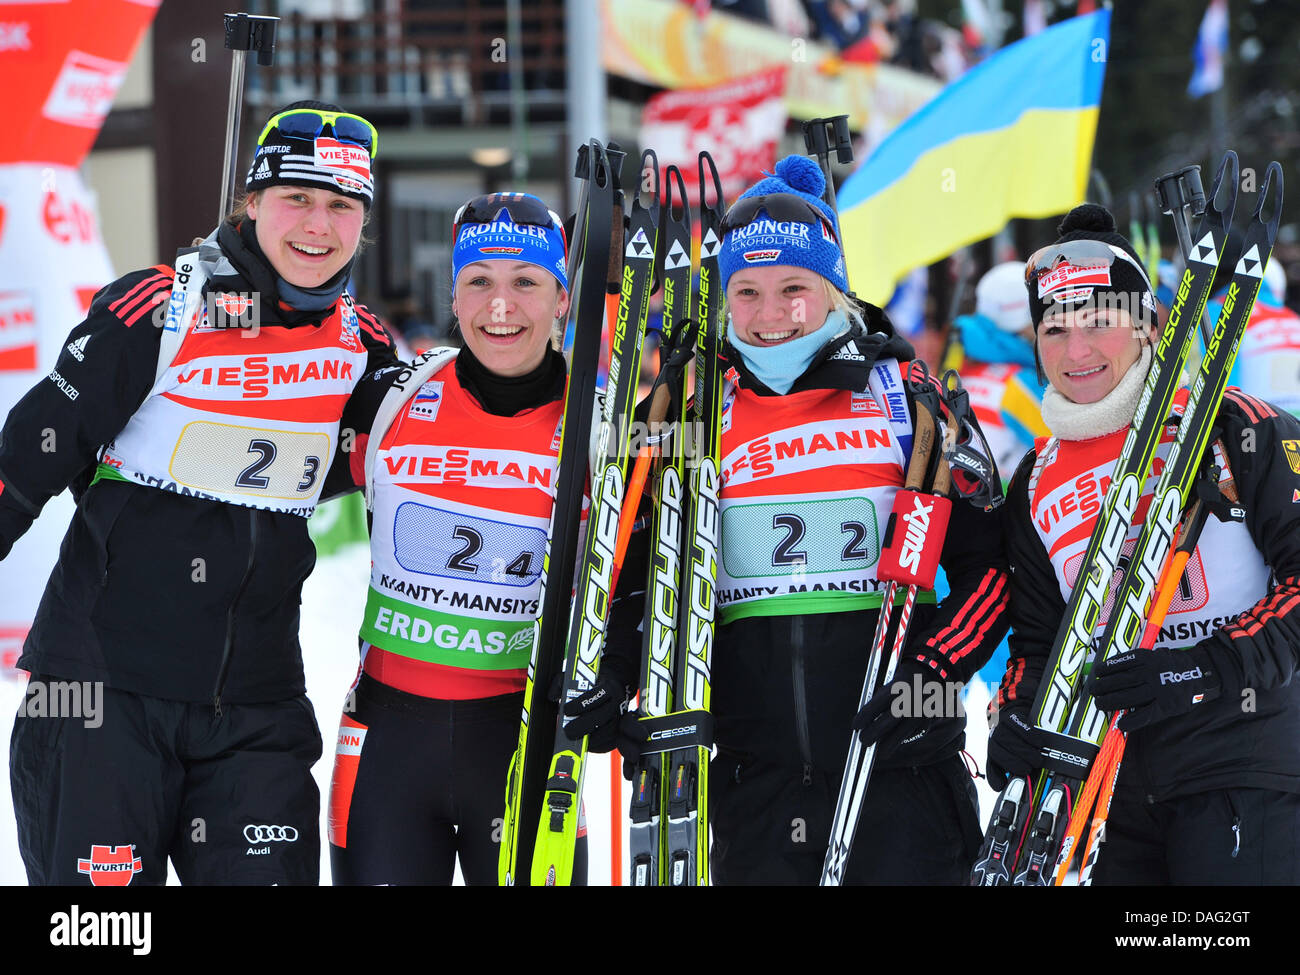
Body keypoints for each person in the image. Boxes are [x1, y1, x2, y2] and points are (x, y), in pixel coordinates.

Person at [1, 100, 397, 885]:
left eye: (342, 205)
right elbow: (23, 465)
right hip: (99, 694)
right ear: (251, 201)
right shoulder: (160, 309)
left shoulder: (363, 347)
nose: (317, 224)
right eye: (297, 198)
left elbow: (423, 463)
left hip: (256, 706)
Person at [593, 156, 1010, 884]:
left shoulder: (904, 399)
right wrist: (620, 677)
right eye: (747, 291)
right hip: (753, 782)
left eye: (794, 287)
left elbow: (992, 569)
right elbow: (635, 565)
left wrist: (934, 677)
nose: (770, 311)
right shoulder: (692, 409)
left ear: (832, 289)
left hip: (902, 774)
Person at [986, 203, 1300, 884]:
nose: (1077, 352)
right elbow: (1038, 644)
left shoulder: (1235, 428)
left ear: (1149, 325)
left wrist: (1196, 668)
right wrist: (1017, 716)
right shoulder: (1034, 478)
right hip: (1107, 789)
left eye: (1100, 322)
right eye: (1055, 328)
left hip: (1239, 764)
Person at [326, 191, 588, 885]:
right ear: (455, 291)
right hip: (386, 741)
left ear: (562, 297)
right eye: (479, 281)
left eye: (526, 282)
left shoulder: (601, 426)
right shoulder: (392, 398)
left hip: (521, 744)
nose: (499, 306)